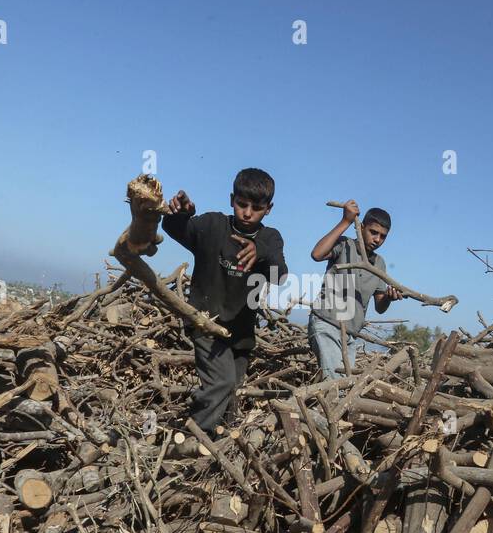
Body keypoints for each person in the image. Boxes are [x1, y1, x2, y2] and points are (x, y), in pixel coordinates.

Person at [161, 168, 288, 432]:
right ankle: (191, 439)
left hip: (240, 335)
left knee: (232, 392)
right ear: (232, 200)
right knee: (221, 383)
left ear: (269, 209)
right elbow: (172, 228)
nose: (248, 212)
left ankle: (219, 448)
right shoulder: (211, 226)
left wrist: (260, 252)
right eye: (242, 204)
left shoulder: (270, 239)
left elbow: (279, 276)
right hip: (206, 323)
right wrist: (182, 214)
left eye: (257, 207)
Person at [307, 200, 402, 379]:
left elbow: (379, 307)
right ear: (362, 227)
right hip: (327, 324)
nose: (377, 240)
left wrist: (389, 297)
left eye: (383, 236)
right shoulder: (344, 245)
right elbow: (316, 254)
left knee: (342, 387)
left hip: (351, 335)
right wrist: (346, 221)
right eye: (373, 232)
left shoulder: (379, 264)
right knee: (336, 386)